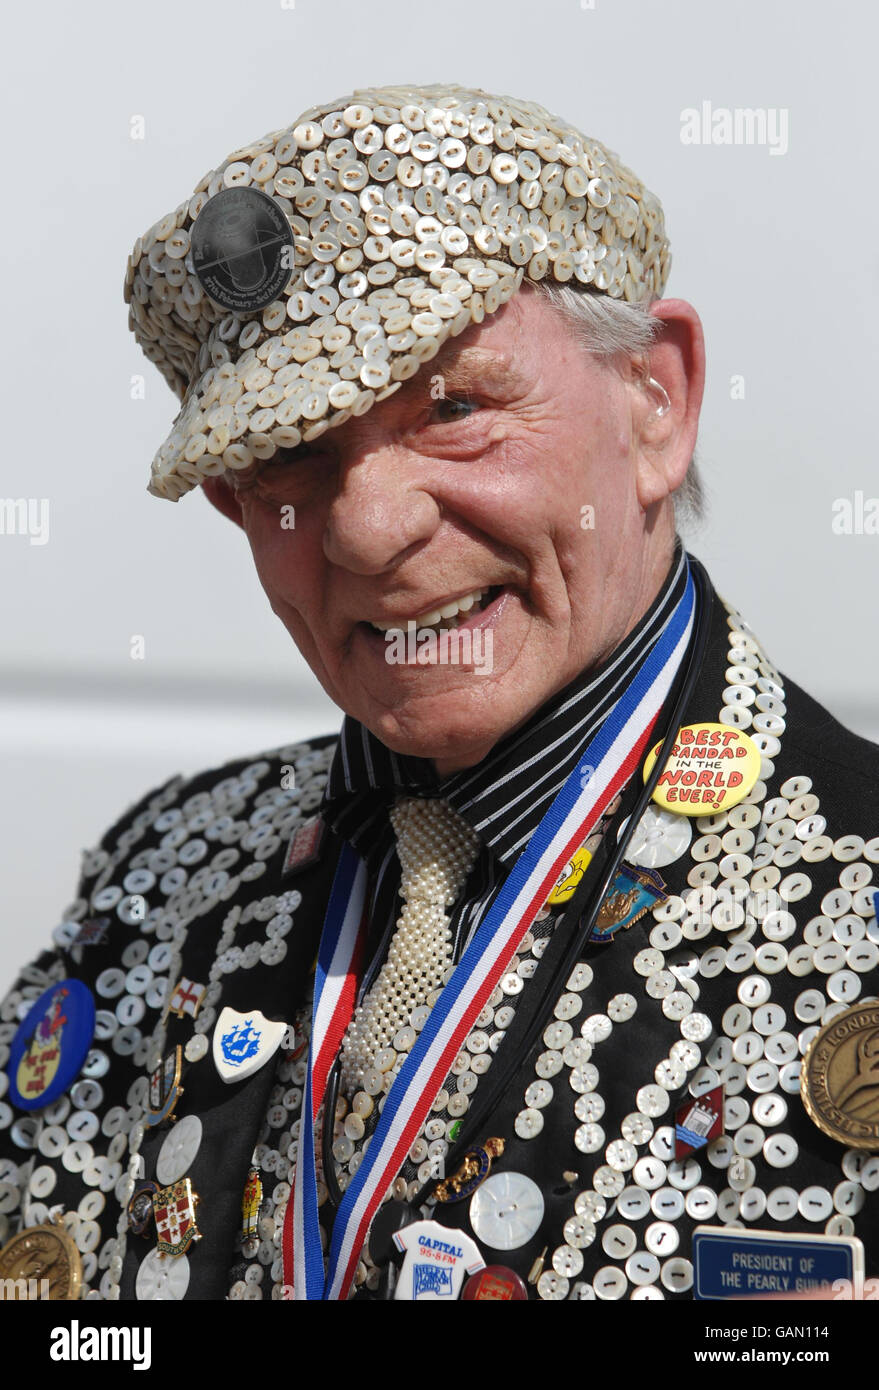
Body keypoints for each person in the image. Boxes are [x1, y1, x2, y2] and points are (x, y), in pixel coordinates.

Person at [0, 81, 877, 1305]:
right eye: (291, 453)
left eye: (454, 409)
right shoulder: (161, 878)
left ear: (657, 402)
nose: (366, 529)